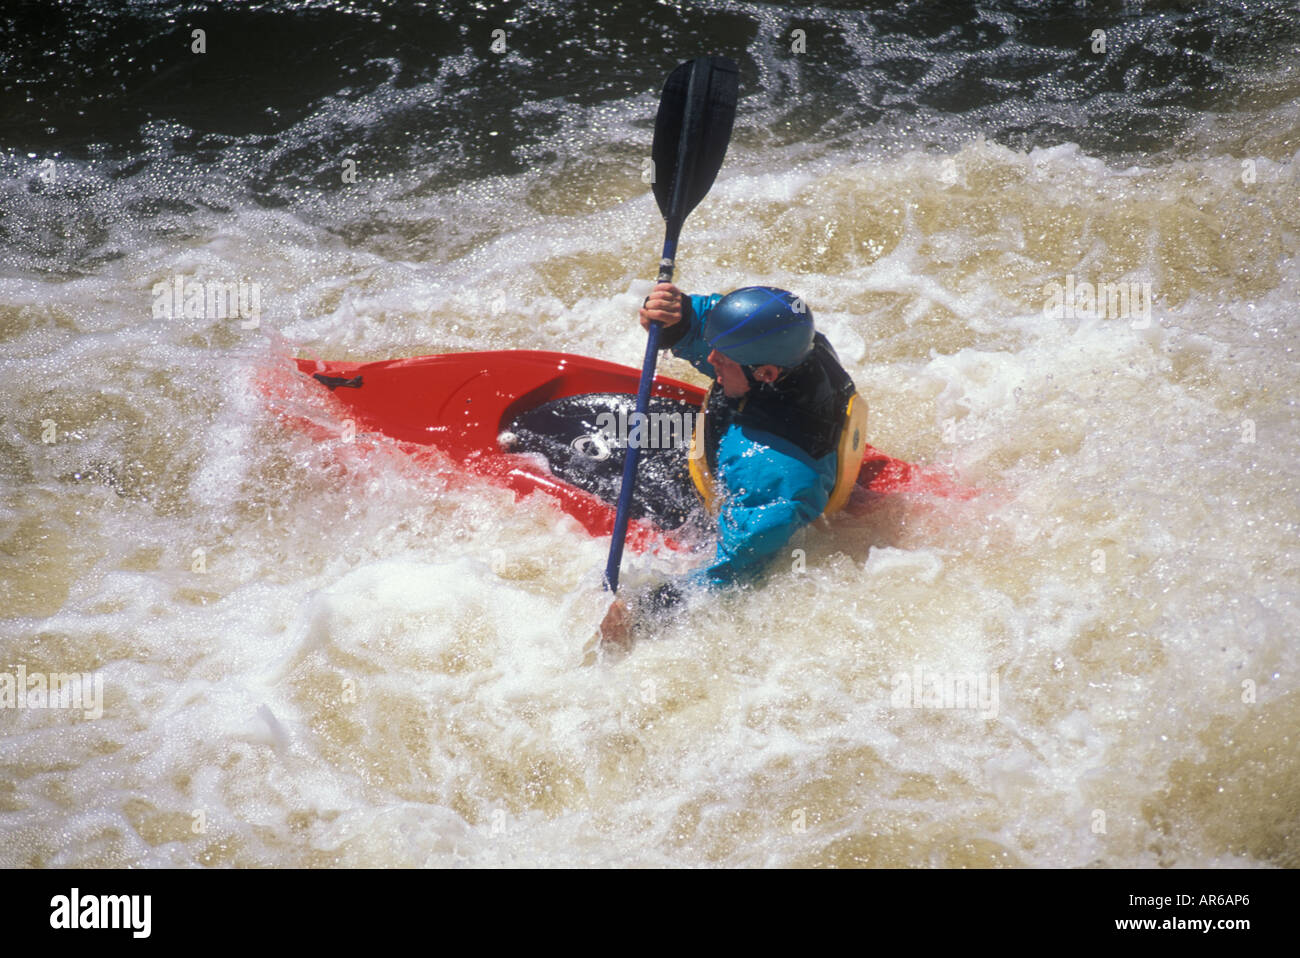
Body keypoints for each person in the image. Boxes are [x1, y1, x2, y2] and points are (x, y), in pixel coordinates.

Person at [600, 281, 865, 647]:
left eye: (722, 359)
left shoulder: (770, 473)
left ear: (766, 375)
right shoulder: (799, 345)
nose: (711, 360)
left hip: (742, 494)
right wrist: (679, 318)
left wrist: (643, 612)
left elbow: (734, 571)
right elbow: (724, 320)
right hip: (733, 443)